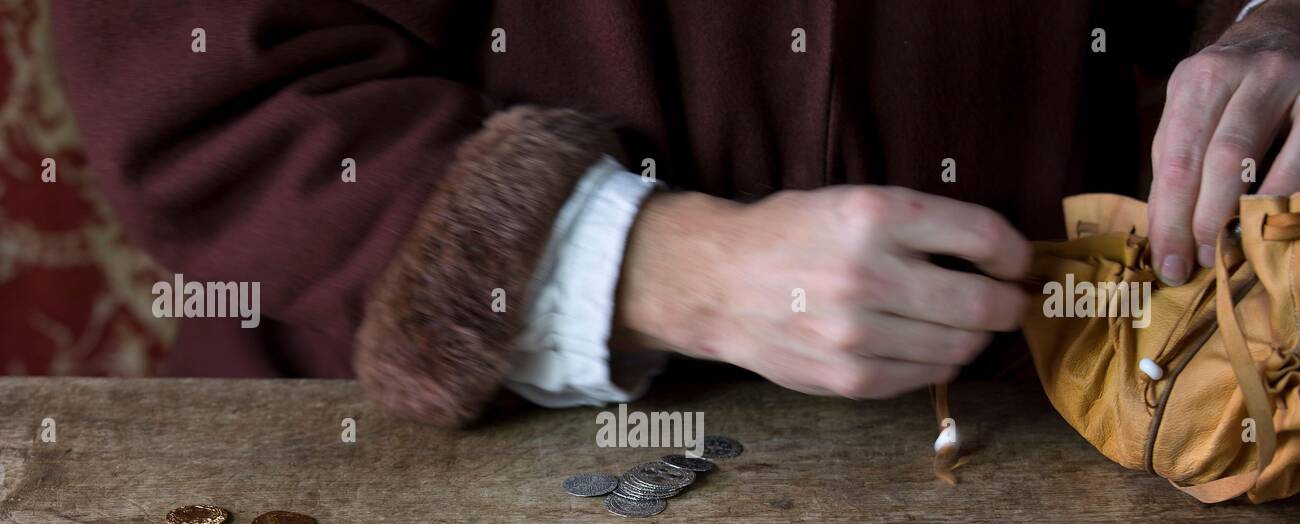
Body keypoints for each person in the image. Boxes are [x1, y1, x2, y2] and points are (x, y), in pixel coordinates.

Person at [50, 0, 1300, 424]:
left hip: (1054, 438)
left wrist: (1268, 29)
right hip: (407, 472)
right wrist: (665, 263)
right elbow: (205, 75)